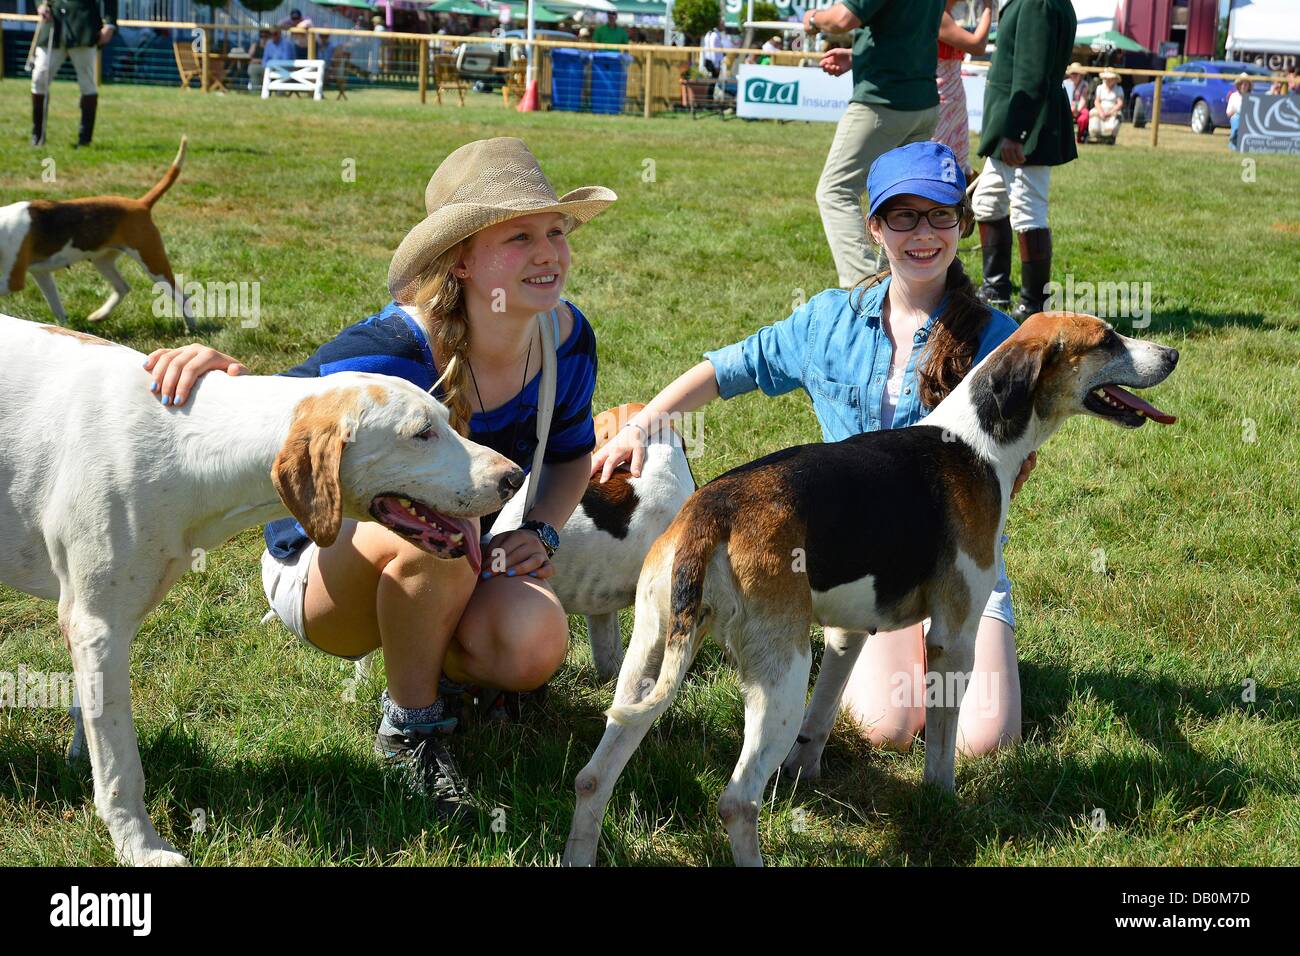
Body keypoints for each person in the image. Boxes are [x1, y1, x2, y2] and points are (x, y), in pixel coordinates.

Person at [139, 139, 616, 808]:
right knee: (440, 535)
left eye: (556, 232)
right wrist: (217, 369)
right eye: (519, 237)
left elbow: (569, 453)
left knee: (534, 644)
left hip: (452, 552)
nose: (549, 253)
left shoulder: (565, 338)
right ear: (462, 259)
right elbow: (280, 407)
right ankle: (409, 730)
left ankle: (436, 663)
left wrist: (542, 529)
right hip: (323, 567)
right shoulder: (390, 349)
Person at [594, 142, 1033, 756]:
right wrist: (642, 425)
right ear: (874, 227)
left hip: (961, 559)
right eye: (902, 216)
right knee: (888, 728)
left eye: (939, 215)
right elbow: (729, 369)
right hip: (853, 558)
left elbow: (1023, 448)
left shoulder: (996, 339)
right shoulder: (830, 320)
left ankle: (940, 641)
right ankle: (878, 644)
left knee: (984, 739)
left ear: (962, 223)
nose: (923, 233)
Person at [801, 0, 947, 289]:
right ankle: (896, 289)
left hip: (883, 102)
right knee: (898, 198)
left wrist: (813, 18)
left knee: (835, 191)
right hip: (922, 101)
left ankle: (866, 290)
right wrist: (858, 55)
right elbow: (907, 31)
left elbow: (842, 19)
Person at [971, 0, 1077, 321]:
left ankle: (1033, 304)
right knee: (987, 203)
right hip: (1012, 123)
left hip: (1024, 126)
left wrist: (1017, 131)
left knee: (1028, 211)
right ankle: (996, 289)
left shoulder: (1037, 3)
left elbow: (1032, 72)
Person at [30, 0, 116, 148]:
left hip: (83, 28)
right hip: (53, 26)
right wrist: (41, 6)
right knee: (39, 78)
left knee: (87, 84)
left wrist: (110, 24)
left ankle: (85, 139)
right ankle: (37, 135)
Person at [933, 0, 991, 178]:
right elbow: (978, 46)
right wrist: (988, 8)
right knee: (938, 160)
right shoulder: (938, 15)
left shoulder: (946, 15)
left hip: (953, 98)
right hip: (940, 98)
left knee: (954, 159)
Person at [1087, 68, 1123, 144]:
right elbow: (1097, 101)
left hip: (1113, 109)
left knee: (1117, 117)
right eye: (1106, 78)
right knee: (1093, 114)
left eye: (1110, 78)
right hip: (1101, 108)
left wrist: (1110, 112)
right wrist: (1101, 112)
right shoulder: (1100, 88)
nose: (1108, 80)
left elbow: (1119, 103)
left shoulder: (1119, 89)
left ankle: (1109, 138)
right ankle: (1096, 137)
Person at [1064, 62, 1090, 144]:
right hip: (1067, 106)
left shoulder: (1085, 84)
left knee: (1084, 117)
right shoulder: (1065, 83)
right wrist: (1070, 108)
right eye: (1072, 73)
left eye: (1076, 73)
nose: (1074, 75)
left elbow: (1083, 99)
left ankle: (1079, 137)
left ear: (1080, 75)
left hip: (1080, 107)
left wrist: (1077, 110)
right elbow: (1065, 99)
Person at [1227, 72, 1253, 151]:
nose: (1243, 86)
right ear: (1238, 85)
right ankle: (1234, 141)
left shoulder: (1252, 97)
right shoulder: (1234, 96)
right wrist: (1237, 111)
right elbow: (1228, 113)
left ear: (1249, 86)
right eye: (1242, 84)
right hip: (1236, 118)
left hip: (1249, 119)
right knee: (1237, 118)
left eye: (1246, 84)